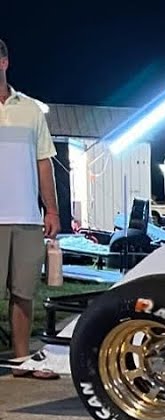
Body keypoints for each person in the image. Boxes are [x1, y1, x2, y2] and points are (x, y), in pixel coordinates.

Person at [0, 38, 60, 378]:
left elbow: (43, 163)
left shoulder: (30, 109)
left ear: (4, 62)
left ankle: (21, 361)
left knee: (23, 292)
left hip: (25, 216)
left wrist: (50, 210)